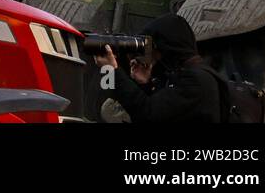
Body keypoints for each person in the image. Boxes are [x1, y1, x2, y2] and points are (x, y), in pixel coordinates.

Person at [94, 14, 222, 123]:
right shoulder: (179, 76)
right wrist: (145, 84)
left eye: (153, 47)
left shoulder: (196, 80)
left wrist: (111, 71)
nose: (152, 54)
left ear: (168, 46)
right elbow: (145, 112)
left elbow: (148, 114)